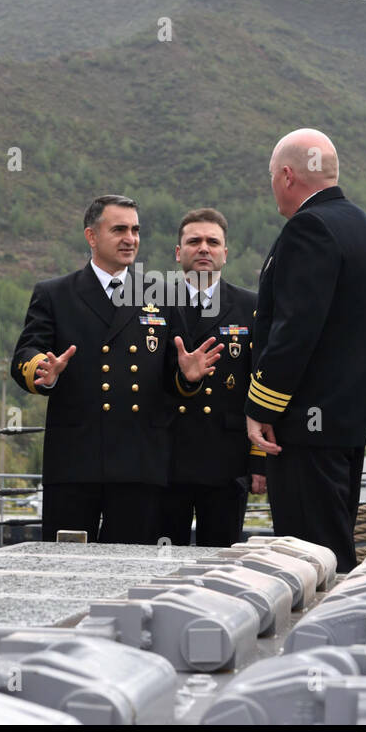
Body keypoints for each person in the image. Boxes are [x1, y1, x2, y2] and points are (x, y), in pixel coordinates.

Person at [12, 195, 222, 543]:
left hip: (139, 461)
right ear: (91, 236)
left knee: (130, 570)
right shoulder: (56, 293)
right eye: (119, 229)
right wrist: (41, 370)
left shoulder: (162, 294)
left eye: (136, 230)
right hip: (75, 459)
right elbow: (26, 352)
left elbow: (175, 374)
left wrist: (187, 377)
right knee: (65, 567)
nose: (130, 238)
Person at [245, 129, 366, 574]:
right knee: (334, 547)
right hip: (345, 423)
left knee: (309, 558)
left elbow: (294, 331)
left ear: (287, 175)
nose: (273, 185)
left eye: (273, 176)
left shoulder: (309, 229)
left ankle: (323, 641)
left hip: (305, 428)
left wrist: (262, 406)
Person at [161, 208, 264, 548]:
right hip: (165, 459)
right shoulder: (154, 303)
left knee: (220, 566)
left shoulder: (253, 307)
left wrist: (259, 460)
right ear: (179, 253)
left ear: (225, 253)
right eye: (194, 241)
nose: (203, 248)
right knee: (159, 564)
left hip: (226, 457)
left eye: (212, 242)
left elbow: (261, 384)